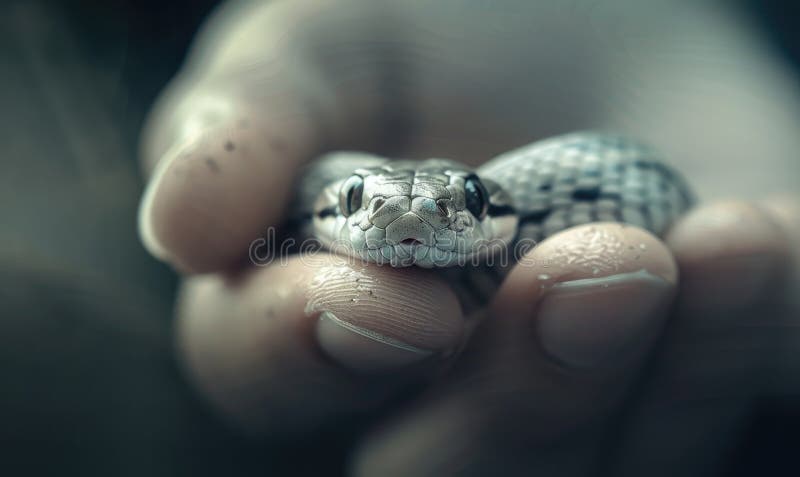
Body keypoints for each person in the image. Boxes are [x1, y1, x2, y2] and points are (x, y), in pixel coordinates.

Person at [137, 1, 799, 475]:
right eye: (363, 203)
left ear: (492, 204)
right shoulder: (301, 200)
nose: (415, 215)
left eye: (465, 202)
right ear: (325, 209)